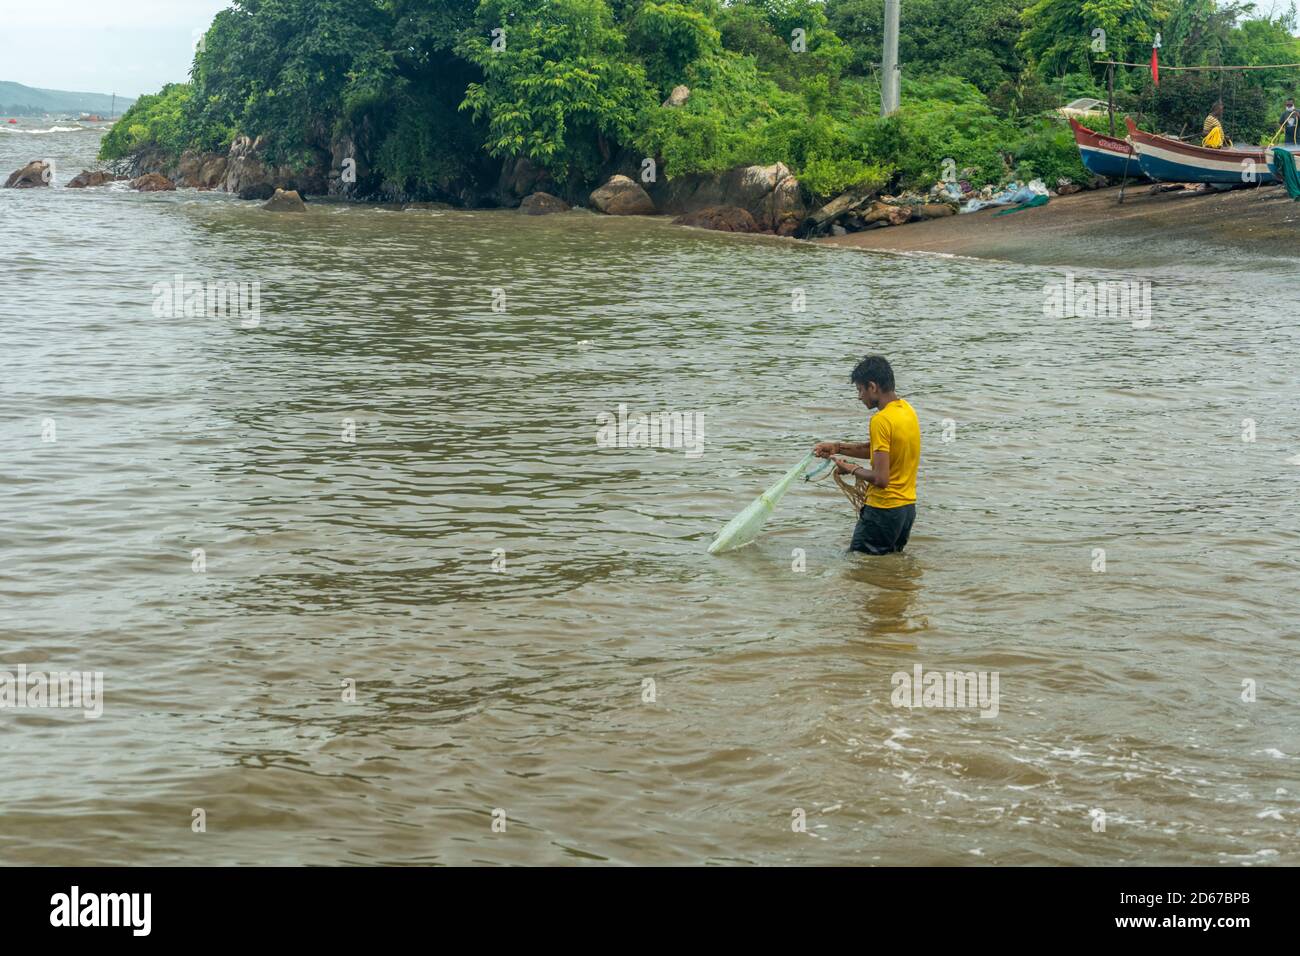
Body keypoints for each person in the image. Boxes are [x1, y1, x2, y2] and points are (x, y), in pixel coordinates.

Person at [813, 355, 920, 555]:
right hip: (905, 512)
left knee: (857, 569)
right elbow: (879, 449)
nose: (859, 397)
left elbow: (881, 479)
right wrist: (837, 447)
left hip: (883, 511)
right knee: (887, 570)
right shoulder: (907, 411)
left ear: (872, 387)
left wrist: (850, 468)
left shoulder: (880, 420)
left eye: (860, 390)